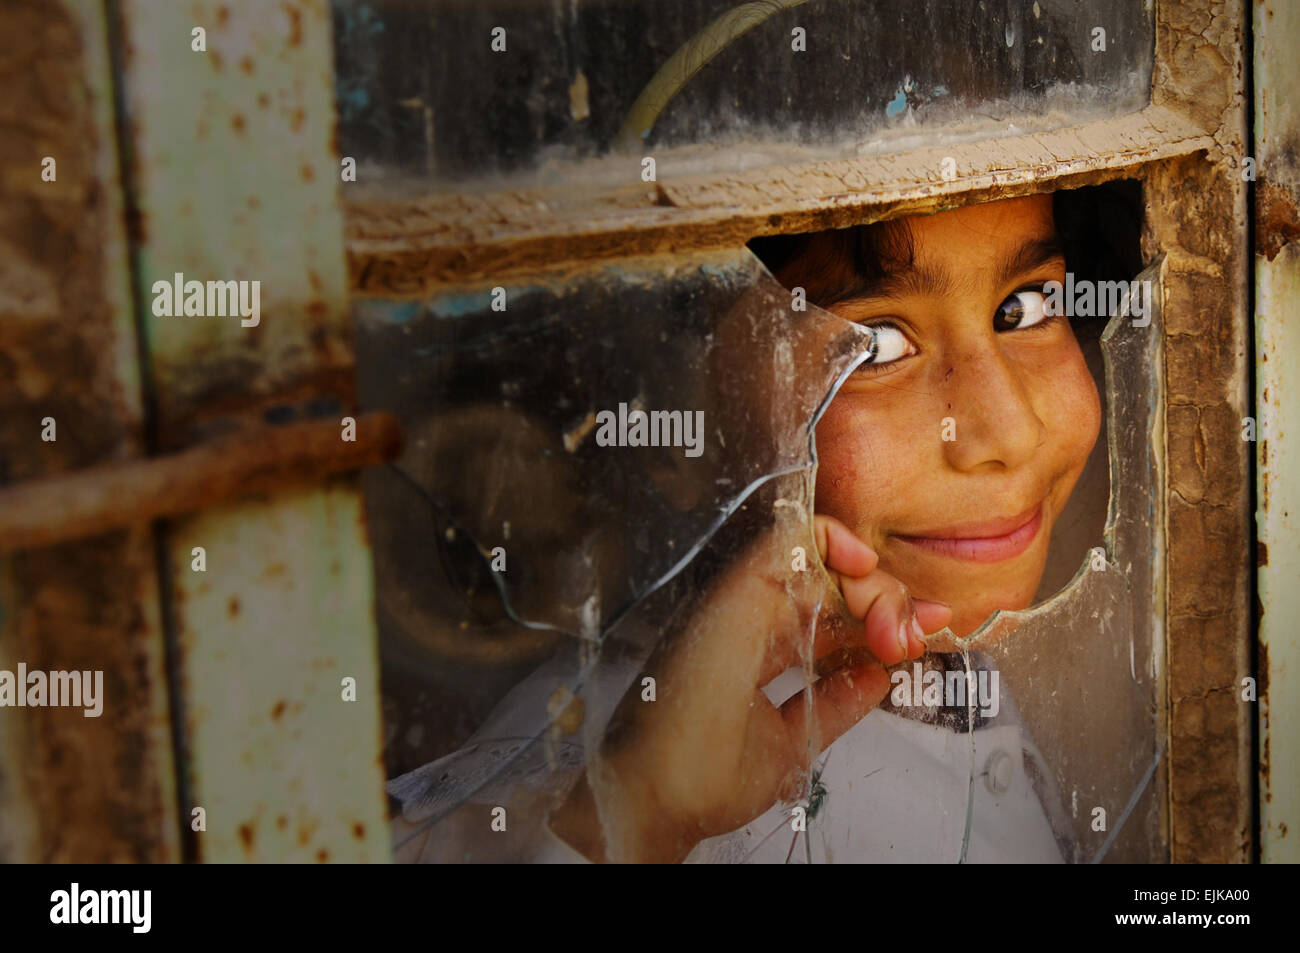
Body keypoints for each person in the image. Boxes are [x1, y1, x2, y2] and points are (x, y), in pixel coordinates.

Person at [390, 191, 1111, 863]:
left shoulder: (1053, 658)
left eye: (1024, 306)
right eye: (877, 345)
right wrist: (635, 813)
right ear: (679, 434)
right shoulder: (590, 773)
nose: (1010, 430)